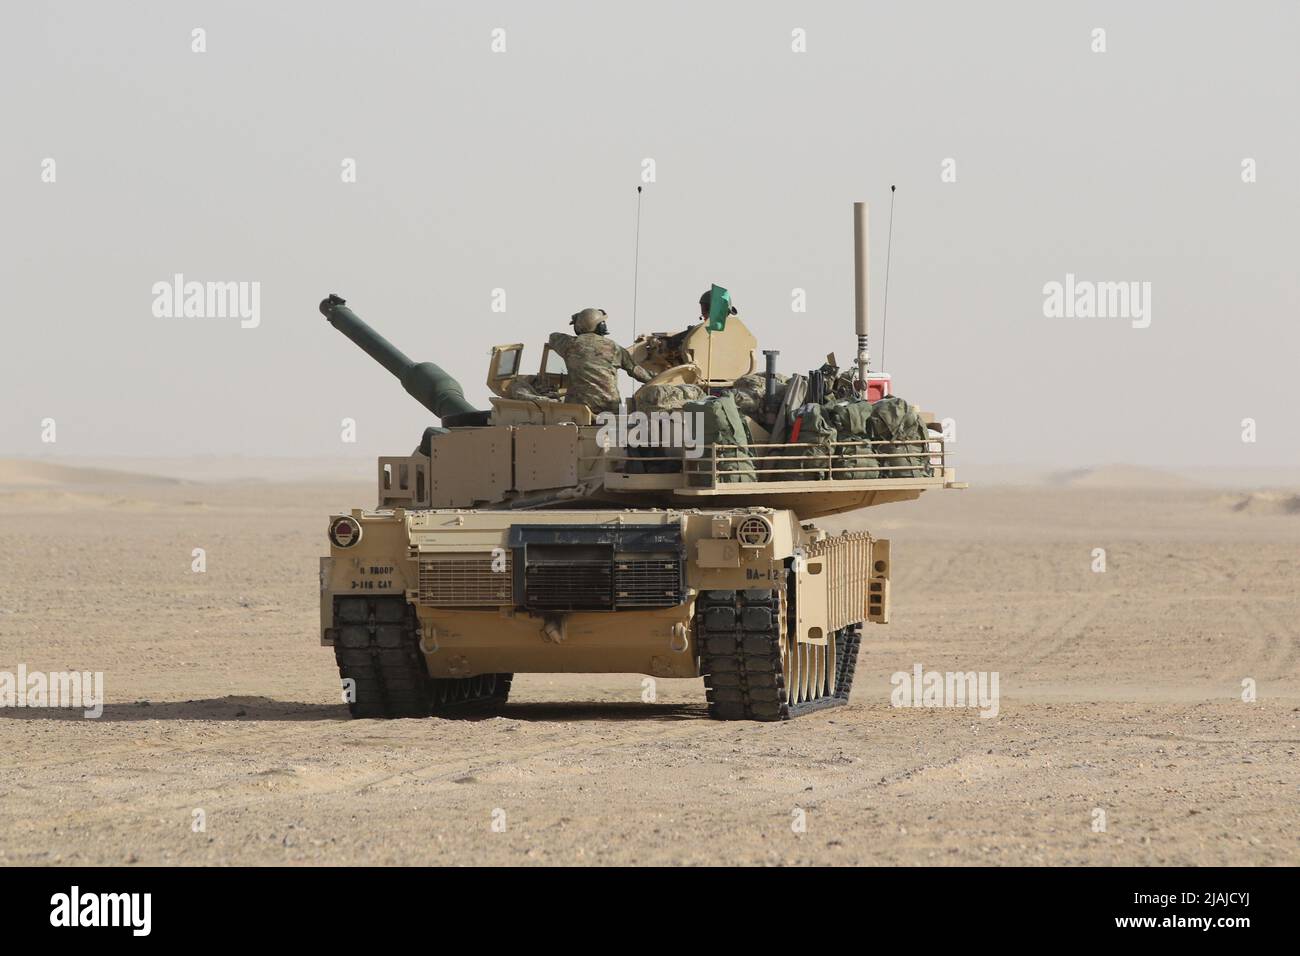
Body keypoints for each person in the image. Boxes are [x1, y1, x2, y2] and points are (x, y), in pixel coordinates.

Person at [547, 308, 652, 414]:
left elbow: (553, 337)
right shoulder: (614, 347)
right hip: (609, 410)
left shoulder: (569, 345)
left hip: (579, 410)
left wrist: (579, 320)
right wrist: (660, 379)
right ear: (600, 326)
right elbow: (636, 371)